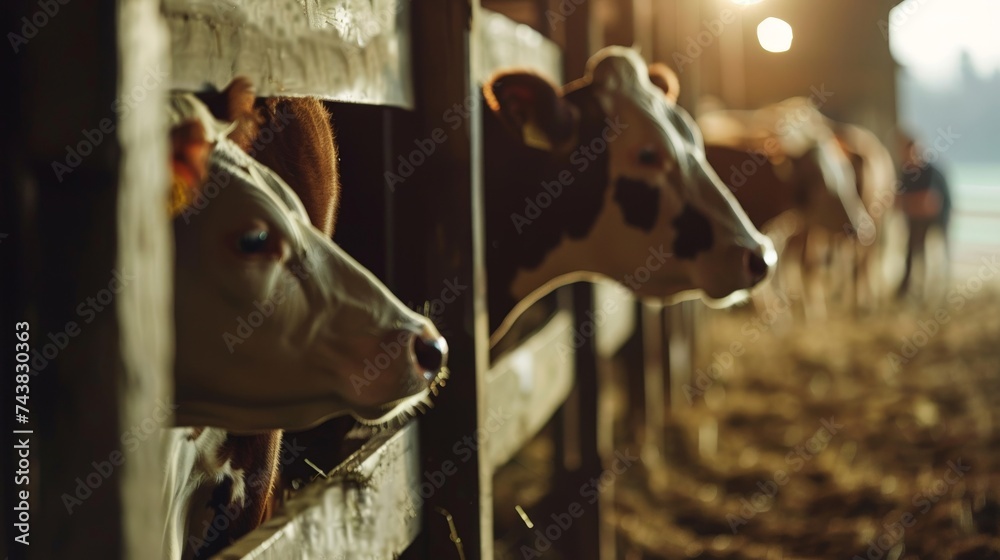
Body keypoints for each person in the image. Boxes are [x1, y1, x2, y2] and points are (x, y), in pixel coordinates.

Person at [895, 133, 953, 298]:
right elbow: (899, 201)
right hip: (916, 217)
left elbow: (929, 205)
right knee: (912, 250)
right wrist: (912, 204)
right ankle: (908, 288)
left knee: (938, 250)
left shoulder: (930, 172)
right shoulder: (906, 173)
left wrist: (907, 203)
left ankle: (938, 289)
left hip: (939, 216)